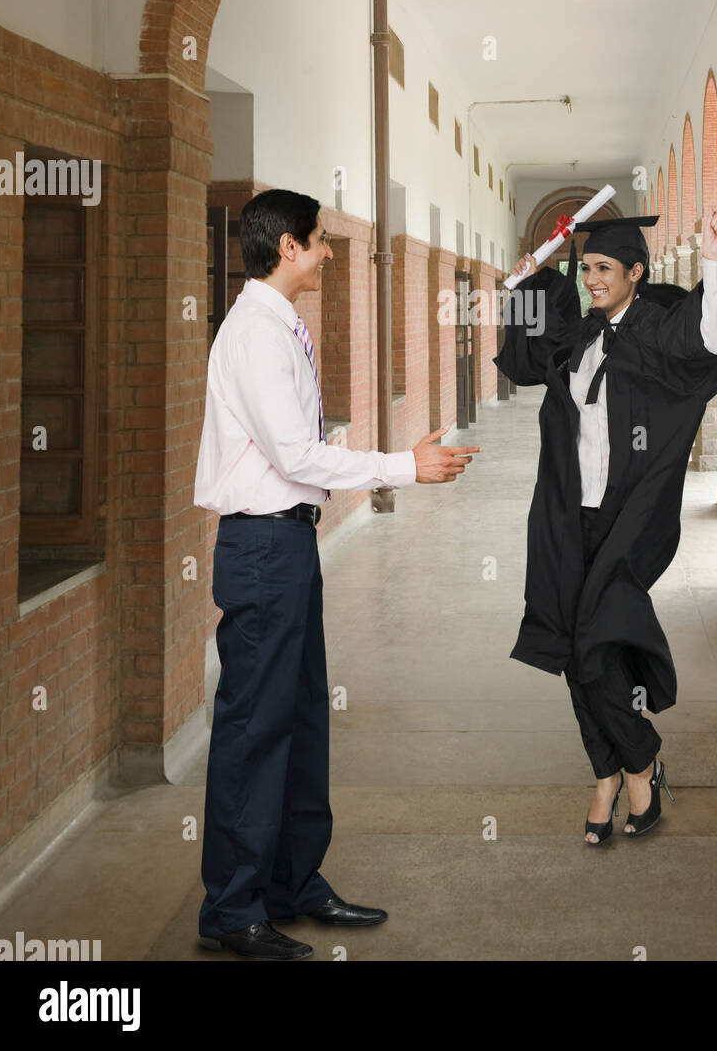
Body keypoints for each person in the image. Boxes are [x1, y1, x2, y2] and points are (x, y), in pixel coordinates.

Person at [193, 189, 480, 959]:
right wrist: (402, 467)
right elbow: (293, 454)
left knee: (303, 715)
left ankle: (292, 882)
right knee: (255, 727)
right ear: (287, 247)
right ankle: (232, 908)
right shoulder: (253, 332)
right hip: (260, 547)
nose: (326, 252)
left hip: (287, 543)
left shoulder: (278, 325)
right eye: (318, 241)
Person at [494, 206, 717, 844]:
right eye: (587, 270)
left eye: (606, 269)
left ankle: (637, 760)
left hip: (629, 514)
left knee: (595, 636)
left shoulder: (658, 329)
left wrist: (713, 261)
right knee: (568, 639)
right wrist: (525, 287)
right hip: (565, 510)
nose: (593, 280)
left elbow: (710, 341)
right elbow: (525, 362)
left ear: (637, 271)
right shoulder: (580, 334)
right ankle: (610, 773)